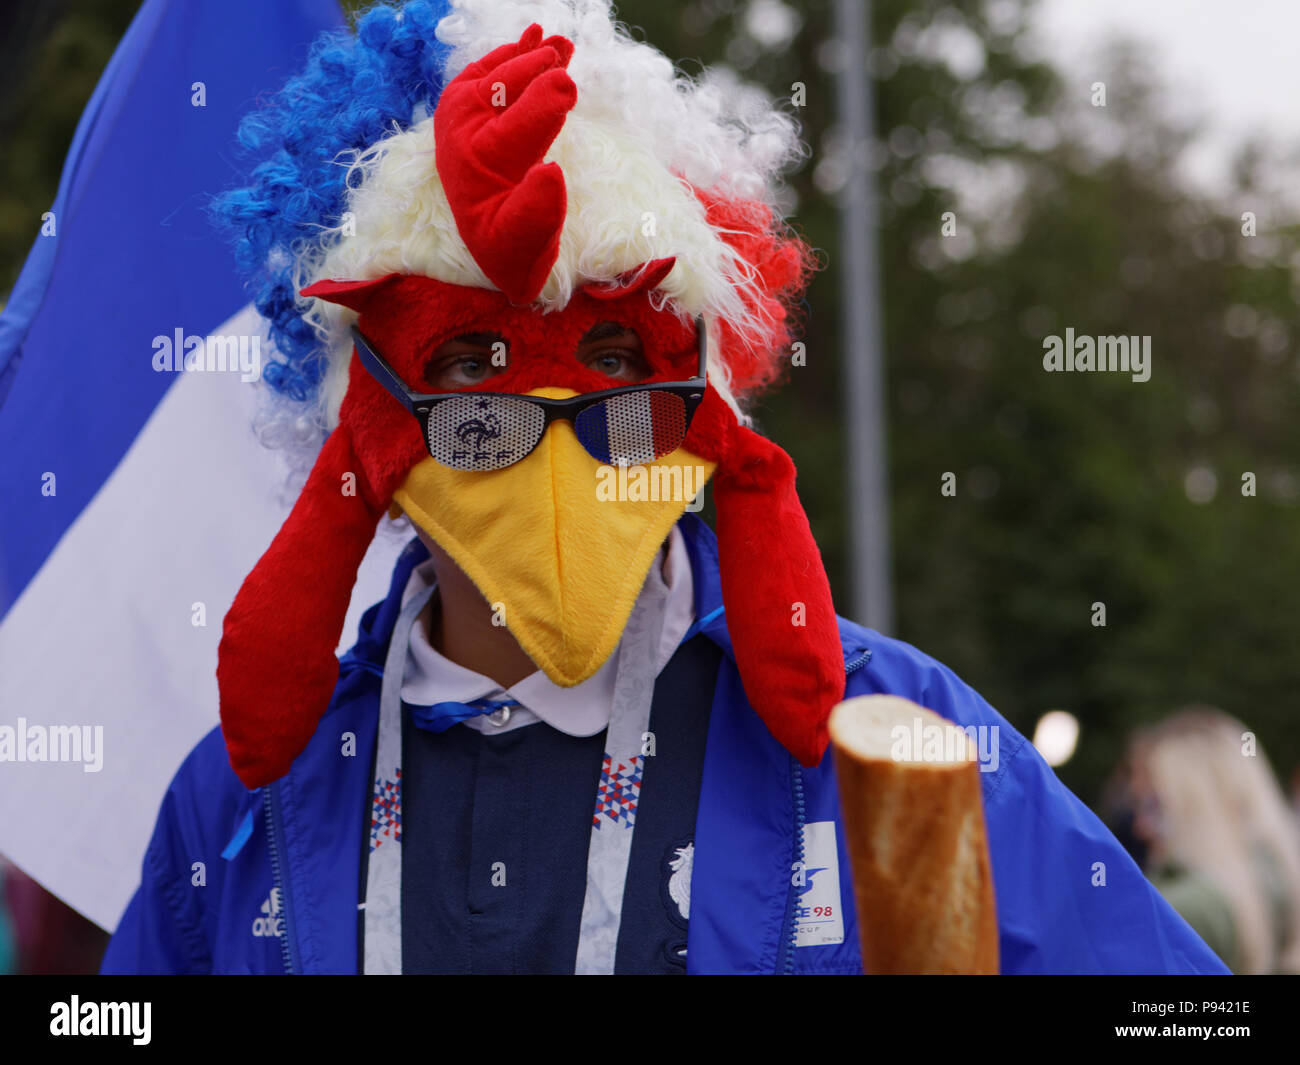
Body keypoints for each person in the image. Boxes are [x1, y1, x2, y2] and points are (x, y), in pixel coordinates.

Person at [100, 0, 1227, 975]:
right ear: (365, 426)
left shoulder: (897, 740)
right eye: (471, 375)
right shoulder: (240, 807)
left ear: (702, 401)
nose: (553, 446)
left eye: (616, 366)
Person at [1118, 708, 1300, 974]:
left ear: (1198, 805)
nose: (1141, 827)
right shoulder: (1277, 875)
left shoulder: (1183, 907)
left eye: (1152, 806)